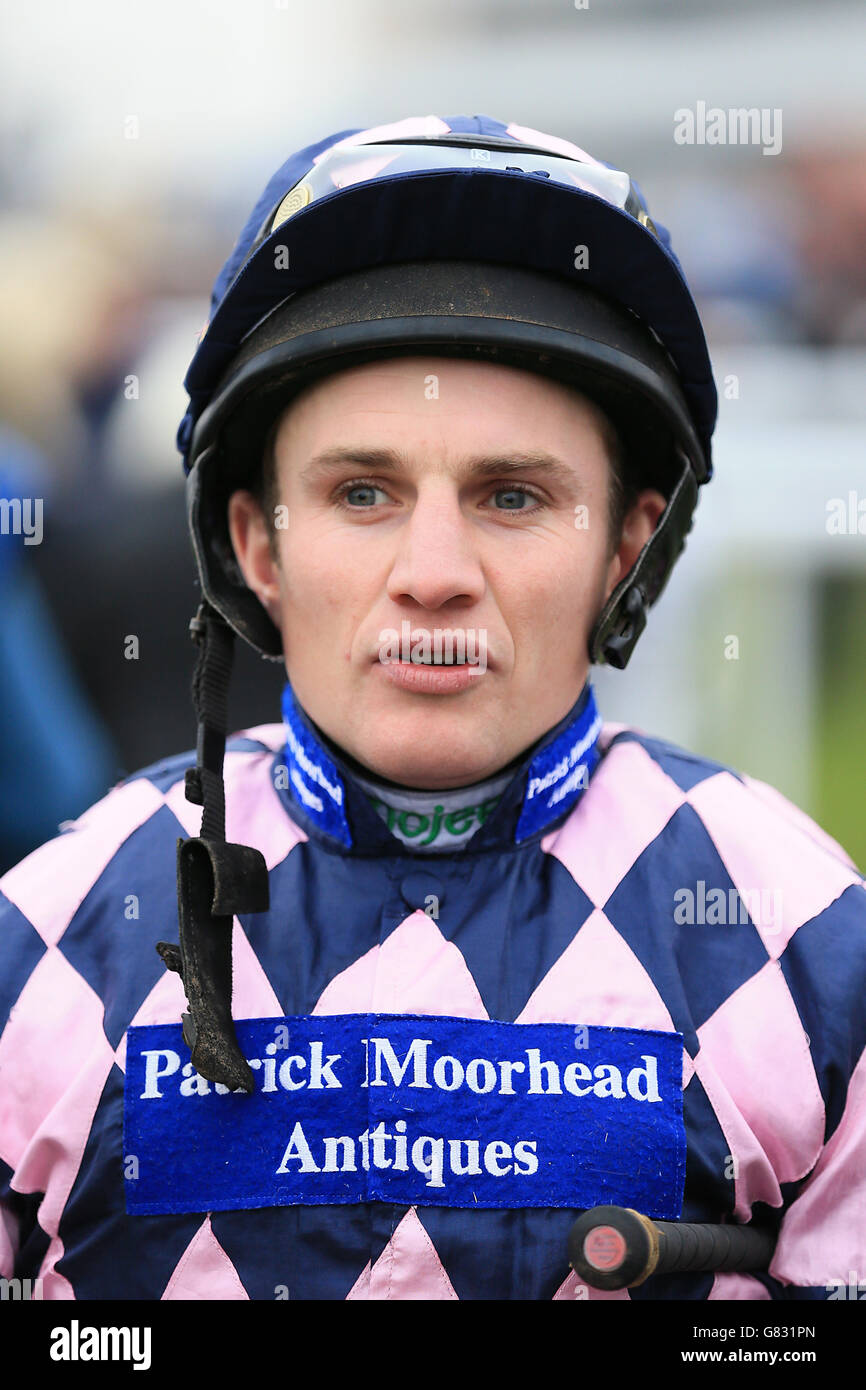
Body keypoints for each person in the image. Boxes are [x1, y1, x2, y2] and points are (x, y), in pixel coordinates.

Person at [1, 113, 864, 1303]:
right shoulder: (46, 932)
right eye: (363, 491)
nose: (434, 568)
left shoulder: (807, 936)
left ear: (625, 545)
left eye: (511, 495)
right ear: (254, 544)